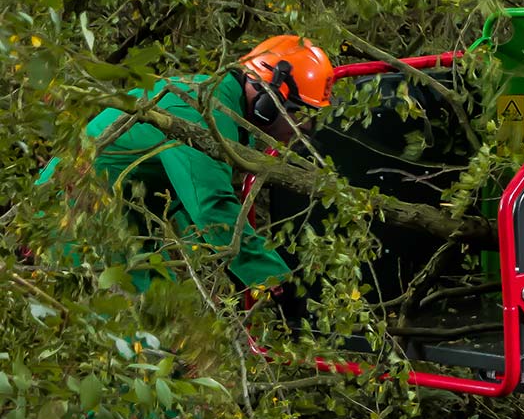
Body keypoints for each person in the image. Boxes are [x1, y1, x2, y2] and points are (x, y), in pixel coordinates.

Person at [56, 35, 335, 290]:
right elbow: (211, 207)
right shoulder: (199, 112)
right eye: (297, 113)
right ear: (269, 99)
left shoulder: (227, 116)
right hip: (76, 221)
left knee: (164, 308)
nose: (304, 127)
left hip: (124, 220)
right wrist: (278, 282)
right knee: (143, 323)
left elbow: (195, 212)